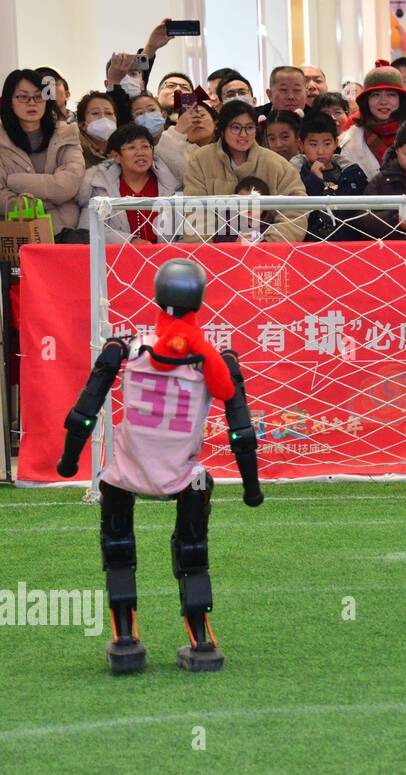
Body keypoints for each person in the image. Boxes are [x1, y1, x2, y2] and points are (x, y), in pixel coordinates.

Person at [55, 258, 262, 673]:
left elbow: (83, 413)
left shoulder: (126, 348)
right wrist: (251, 488)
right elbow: (241, 432)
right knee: (193, 549)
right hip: (182, 475)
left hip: (125, 473)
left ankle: (126, 639)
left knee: (117, 547)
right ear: (199, 300)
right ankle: (201, 640)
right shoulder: (213, 363)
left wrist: (67, 460)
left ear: (157, 296)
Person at [183, 101, 307, 241]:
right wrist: (215, 253)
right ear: (222, 129)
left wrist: (265, 244)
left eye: (249, 127)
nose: (243, 134)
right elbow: (194, 212)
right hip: (215, 251)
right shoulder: (201, 160)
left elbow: (296, 213)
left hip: (268, 254)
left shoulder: (277, 165)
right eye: (236, 127)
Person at [0, 68, 85, 240]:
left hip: (64, 230)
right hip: (18, 233)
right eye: (23, 97)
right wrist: (52, 191)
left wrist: (13, 181)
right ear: (9, 101)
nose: (32, 102)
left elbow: (67, 186)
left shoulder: (66, 133)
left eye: (39, 96)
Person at [76, 123, 182, 242]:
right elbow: (89, 229)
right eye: (132, 148)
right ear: (116, 156)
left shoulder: (172, 184)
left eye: (145, 147)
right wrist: (130, 241)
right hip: (118, 258)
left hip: (168, 258)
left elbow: (186, 231)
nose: (140, 153)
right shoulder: (100, 186)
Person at [338, 63, 406, 179]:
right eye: (375, 95)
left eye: (391, 94)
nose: (383, 101)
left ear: (400, 99)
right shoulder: (352, 141)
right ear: (367, 101)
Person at [295, 112, 368, 240]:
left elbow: (359, 214)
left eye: (327, 143)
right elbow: (300, 215)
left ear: (336, 142)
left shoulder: (352, 174)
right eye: (313, 144)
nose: (321, 151)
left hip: (349, 246)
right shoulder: (295, 175)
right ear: (301, 145)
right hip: (308, 245)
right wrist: (314, 180)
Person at [154, 101, 218, 179]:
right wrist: (177, 131)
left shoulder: (229, 147)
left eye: (202, 115)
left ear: (215, 122)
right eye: (190, 119)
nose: (196, 121)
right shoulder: (178, 153)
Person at [76, 90, 118, 169]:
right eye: (95, 113)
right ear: (82, 124)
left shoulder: (123, 150)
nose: (103, 118)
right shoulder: (73, 152)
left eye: (109, 113)